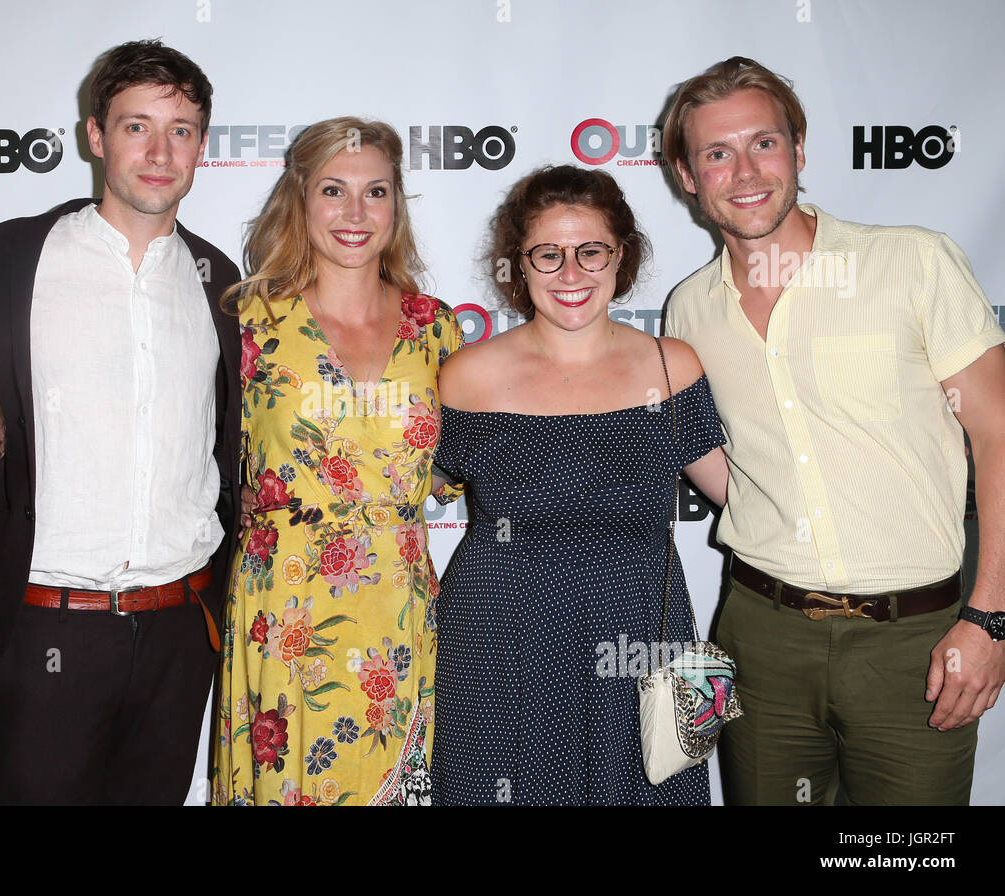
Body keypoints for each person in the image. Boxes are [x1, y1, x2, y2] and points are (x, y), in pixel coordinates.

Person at [662, 56, 1005, 805]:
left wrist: (991, 619)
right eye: (716, 153)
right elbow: (714, 455)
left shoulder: (912, 263)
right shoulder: (689, 310)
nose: (745, 171)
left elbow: (999, 438)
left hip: (915, 637)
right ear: (687, 176)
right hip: (760, 636)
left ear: (800, 150)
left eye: (765, 143)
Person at [0, 40, 241, 805]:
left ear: (203, 145)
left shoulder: (224, 284)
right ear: (95, 136)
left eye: (180, 130)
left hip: (182, 628)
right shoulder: (2, 261)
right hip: (48, 623)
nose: (158, 151)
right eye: (136, 126)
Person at [429, 165, 730, 805]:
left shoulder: (670, 366)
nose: (572, 274)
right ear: (520, 263)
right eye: (549, 254)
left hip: (643, 644)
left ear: (622, 256)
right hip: (500, 647)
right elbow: (401, 489)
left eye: (591, 251)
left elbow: (744, 495)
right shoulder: (466, 375)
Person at [212, 118, 462, 806]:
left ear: (396, 204)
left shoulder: (434, 327)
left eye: (375, 191)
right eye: (333, 190)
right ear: (300, 199)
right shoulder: (248, 322)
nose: (355, 213)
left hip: (398, 614)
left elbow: (468, 463)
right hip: (283, 605)